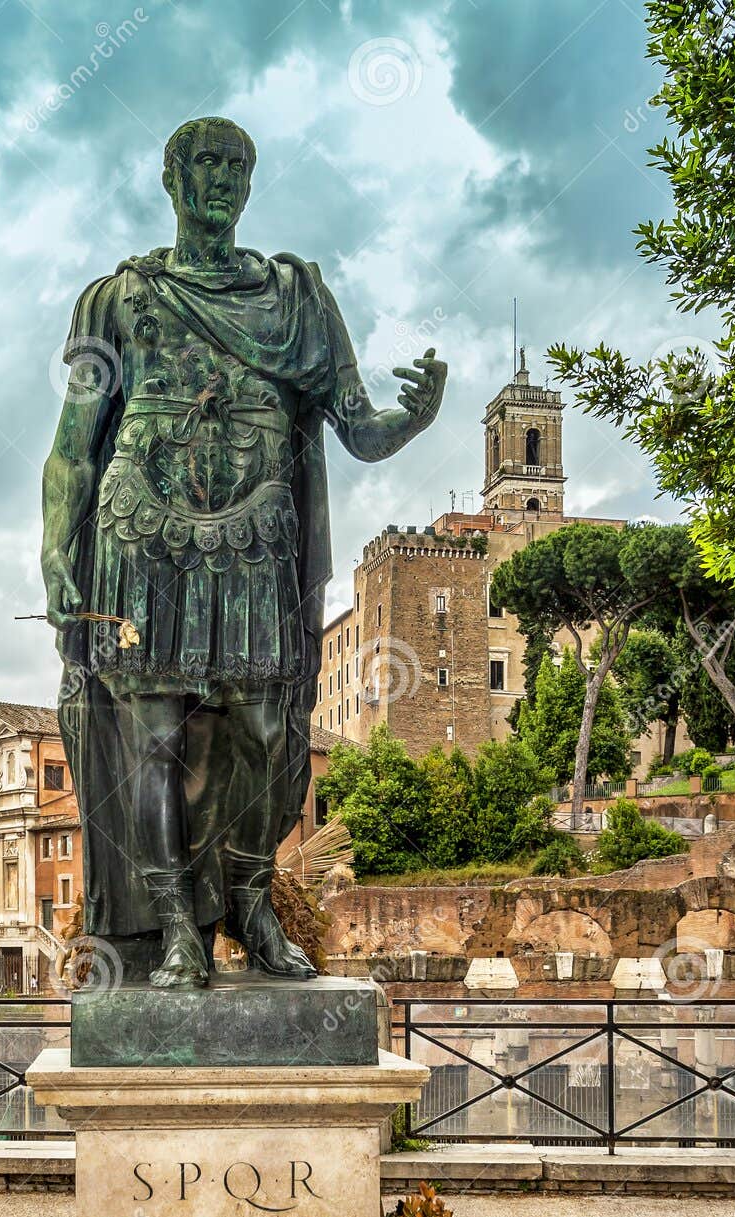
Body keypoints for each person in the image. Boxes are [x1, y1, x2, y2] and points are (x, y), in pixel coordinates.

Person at [43, 117, 445, 988]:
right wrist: (54, 552)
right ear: (171, 178)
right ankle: (176, 929)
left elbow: (360, 429)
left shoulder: (296, 297)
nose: (221, 178)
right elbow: (73, 445)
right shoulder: (114, 299)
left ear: (250, 183)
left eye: (237, 165)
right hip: (139, 534)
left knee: (265, 732)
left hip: (258, 533)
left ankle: (253, 904)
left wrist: (410, 420)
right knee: (152, 743)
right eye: (204, 163)